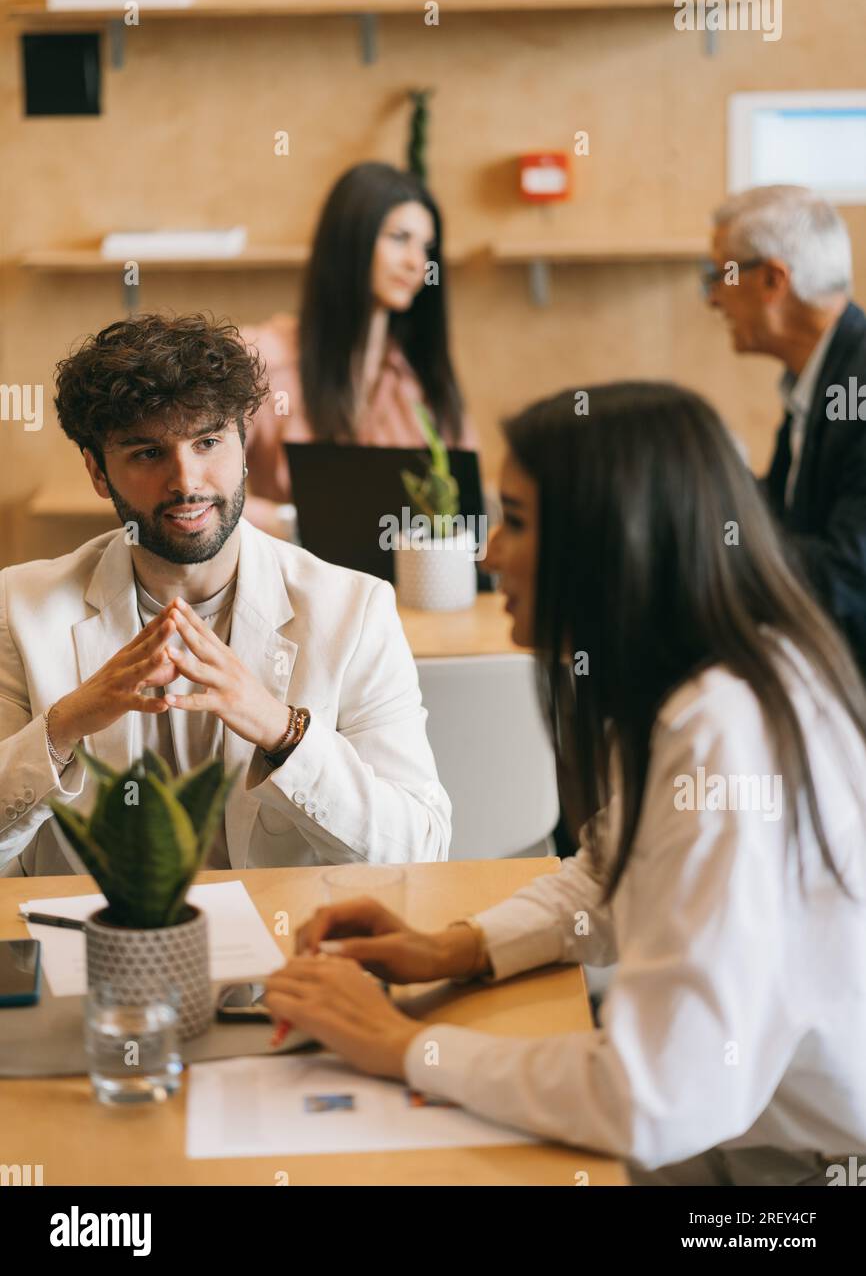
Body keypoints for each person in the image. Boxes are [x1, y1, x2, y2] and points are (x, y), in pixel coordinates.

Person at [265, 383, 866, 1185]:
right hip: (759, 1135)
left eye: (514, 520)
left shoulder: (721, 732)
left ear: (610, 540)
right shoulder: (707, 680)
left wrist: (404, 1045)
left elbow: (647, 1099)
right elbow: (610, 869)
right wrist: (456, 945)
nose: (489, 554)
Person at [0, 313, 450, 876]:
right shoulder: (19, 606)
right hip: (94, 956)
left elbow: (421, 851)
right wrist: (63, 726)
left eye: (207, 441)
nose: (186, 481)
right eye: (146, 453)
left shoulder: (354, 610)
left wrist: (283, 732)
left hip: (288, 954)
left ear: (243, 443)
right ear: (97, 470)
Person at [241, 161, 478, 536]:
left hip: (408, 588)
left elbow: (465, 504)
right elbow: (199, 491)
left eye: (426, 247)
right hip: (296, 581)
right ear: (349, 241)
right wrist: (293, 524)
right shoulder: (262, 359)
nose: (418, 263)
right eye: (400, 238)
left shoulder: (421, 373)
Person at [706, 183, 866, 677]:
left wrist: (710, 545)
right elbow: (781, 518)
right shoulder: (816, 379)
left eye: (722, 274)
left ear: (773, 279)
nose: (713, 297)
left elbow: (847, 576)